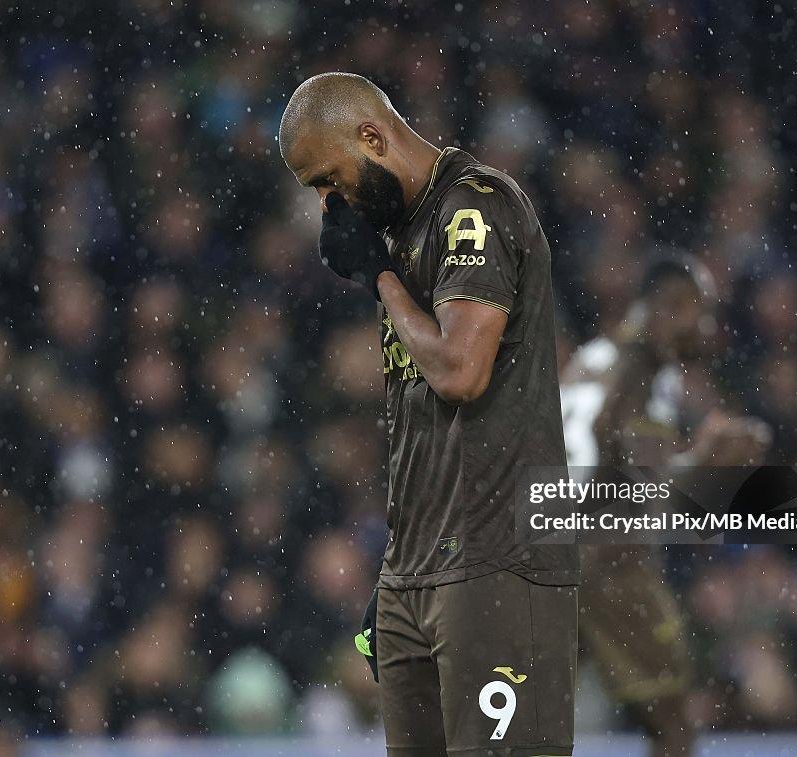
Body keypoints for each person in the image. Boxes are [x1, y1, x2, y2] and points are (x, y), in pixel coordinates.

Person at [280, 72, 580, 757]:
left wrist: (380, 279)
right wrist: (404, 564)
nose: (329, 202)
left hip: (496, 563)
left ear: (371, 136)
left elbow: (460, 373)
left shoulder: (473, 207)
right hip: (416, 570)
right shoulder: (406, 233)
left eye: (328, 179)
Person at [561, 256, 771, 756]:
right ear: (670, 306)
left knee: (528, 718)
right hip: (609, 560)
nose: (708, 328)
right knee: (673, 726)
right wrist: (710, 458)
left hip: (545, 549)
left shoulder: (592, 358)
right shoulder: (646, 365)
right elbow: (639, 477)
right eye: (701, 312)